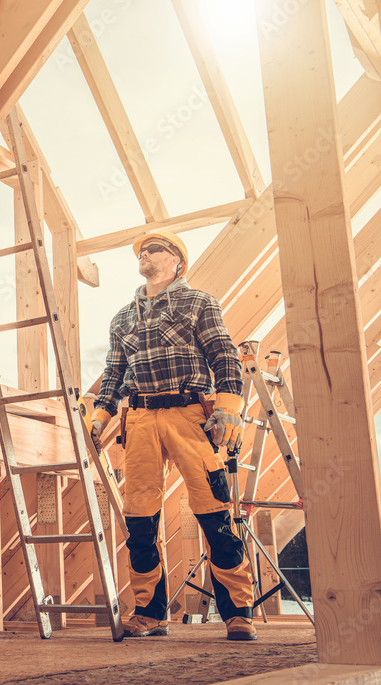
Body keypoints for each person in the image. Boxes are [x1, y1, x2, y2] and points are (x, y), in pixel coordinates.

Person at [89, 232, 256, 641]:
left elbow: (223, 355)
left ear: (178, 262)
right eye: (143, 250)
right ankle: (149, 612)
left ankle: (238, 612)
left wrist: (230, 410)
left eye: (157, 249)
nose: (146, 254)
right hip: (141, 418)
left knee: (214, 512)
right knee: (140, 518)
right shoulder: (122, 318)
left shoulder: (199, 302)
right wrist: (99, 416)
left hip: (189, 414)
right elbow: (113, 374)